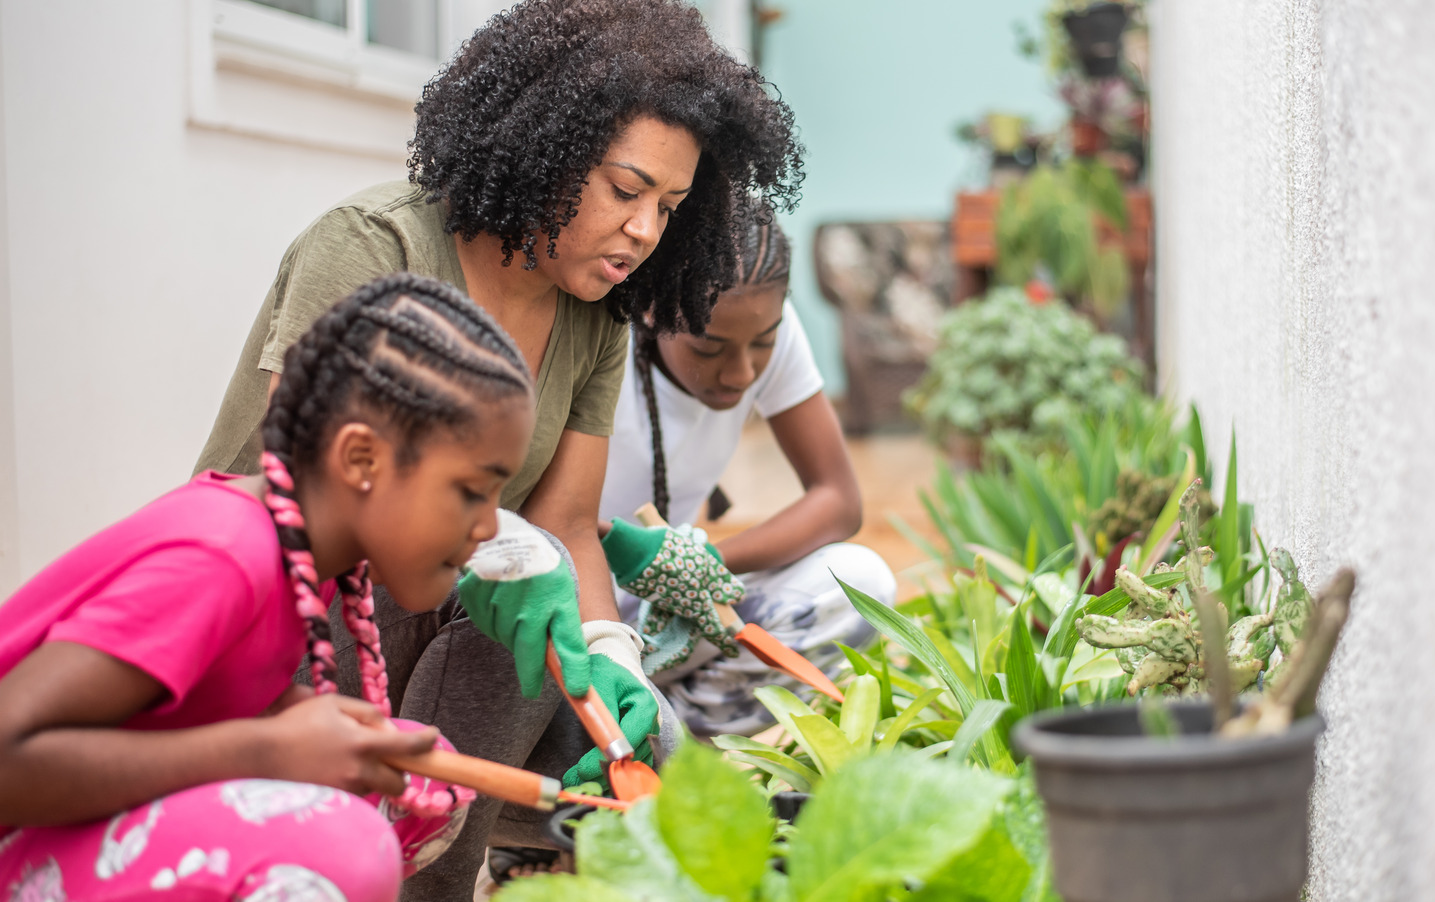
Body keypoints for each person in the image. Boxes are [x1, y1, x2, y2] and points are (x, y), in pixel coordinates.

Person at [192, 1, 803, 897]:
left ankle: (439, 867)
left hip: (428, 601)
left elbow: (566, 525)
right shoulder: (377, 246)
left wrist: (608, 655)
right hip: (287, 608)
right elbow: (313, 474)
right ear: (542, 146)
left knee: (630, 728)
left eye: (669, 207)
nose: (643, 231)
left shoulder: (595, 310)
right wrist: (512, 552)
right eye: (625, 190)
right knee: (519, 570)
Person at [0, 274, 537, 901]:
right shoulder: (222, 556)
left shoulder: (308, 559)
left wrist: (295, 717)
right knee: (342, 845)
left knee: (416, 783)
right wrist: (264, 751)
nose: (489, 524)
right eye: (474, 490)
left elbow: (203, 695)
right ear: (361, 460)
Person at [598, 216, 896, 736]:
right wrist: (631, 555)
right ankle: (610, 724)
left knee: (858, 585)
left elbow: (838, 499)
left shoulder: (760, 324)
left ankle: (666, 736)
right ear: (649, 308)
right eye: (708, 348)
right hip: (579, 615)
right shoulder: (599, 346)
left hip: (667, 607)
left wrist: (702, 564)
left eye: (764, 343)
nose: (741, 373)